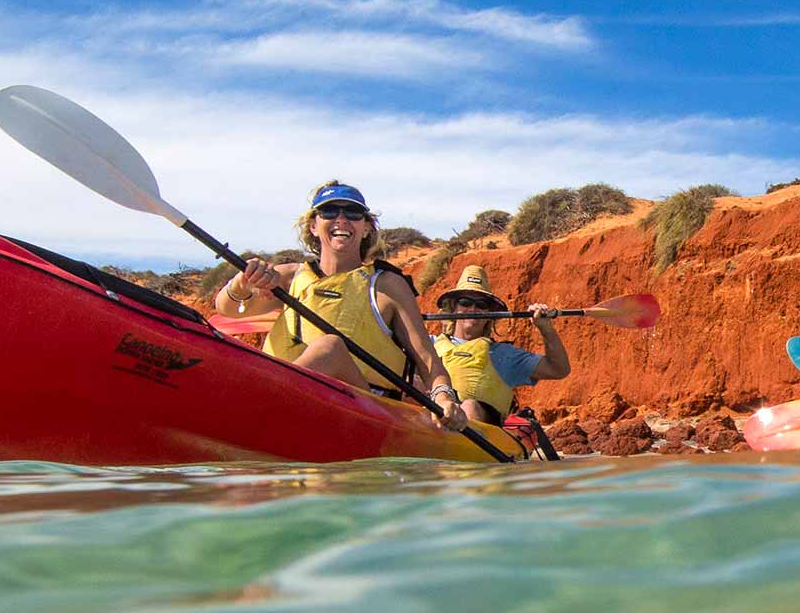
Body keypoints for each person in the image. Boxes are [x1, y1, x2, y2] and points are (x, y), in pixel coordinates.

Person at [216, 181, 460, 417]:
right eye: (329, 211)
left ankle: (247, 409)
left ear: (366, 228)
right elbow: (227, 309)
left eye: (353, 213)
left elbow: (427, 359)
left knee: (330, 347)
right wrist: (242, 283)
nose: (341, 220)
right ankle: (263, 403)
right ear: (313, 225)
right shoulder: (289, 277)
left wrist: (445, 398)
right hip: (289, 394)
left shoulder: (387, 285)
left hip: (365, 409)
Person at [430, 264, 570, 430]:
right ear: (453, 308)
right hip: (429, 422)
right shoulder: (428, 344)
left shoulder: (504, 355)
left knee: (469, 407)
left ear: (490, 314)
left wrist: (545, 328)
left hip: (480, 429)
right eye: (465, 302)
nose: (473, 309)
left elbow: (558, 369)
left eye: (481, 305)